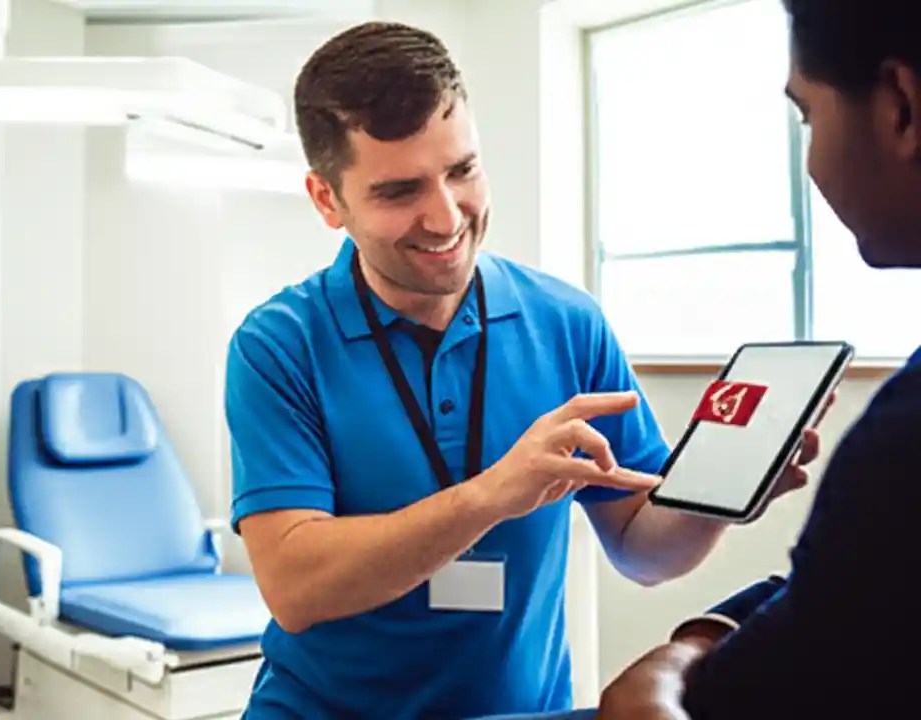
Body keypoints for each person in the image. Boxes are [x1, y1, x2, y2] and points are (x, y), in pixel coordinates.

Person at [223, 21, 821, 720]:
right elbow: (296, 588)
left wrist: (716, 495)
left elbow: (641, 549)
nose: (445, 217)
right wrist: (492, 496)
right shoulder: (278, 345)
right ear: (328, 199)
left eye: (462, 171)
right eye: (400, 191)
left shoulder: (567, 322)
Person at [596, 1, 921, 718]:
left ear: (899, 106)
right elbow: (840, 594)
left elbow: (796, 652)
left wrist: (665, 669)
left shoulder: (900, 444)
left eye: (807, 116)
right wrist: (705, 633)